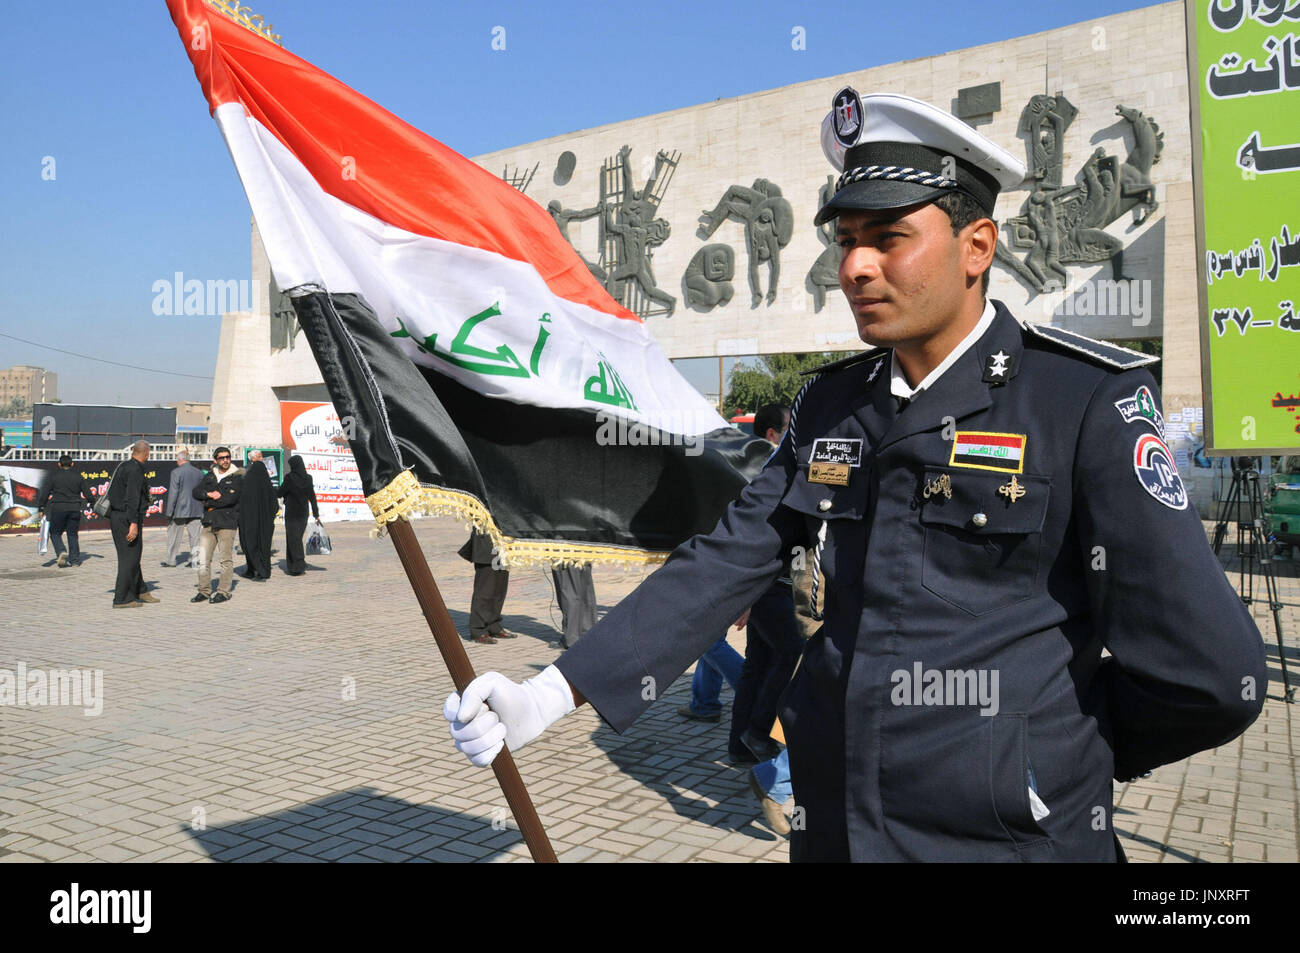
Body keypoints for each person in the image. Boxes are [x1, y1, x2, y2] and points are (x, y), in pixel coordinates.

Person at [443, 90, 1267, 862]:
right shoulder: (833, 404)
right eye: (846, 241)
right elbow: (728, 559)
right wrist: (551, 693)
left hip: (1005, 840)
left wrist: (1051, 746)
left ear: (976, 245)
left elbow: (1211, 674)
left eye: (888, 237)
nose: (855, 266)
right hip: (837, 827)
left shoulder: (1082, 401)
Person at [725, 403, 801, 765]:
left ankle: (742, 745)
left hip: (770, 583)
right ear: (773, 433)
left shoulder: (767, 463)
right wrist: (747, 591)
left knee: (758, 663)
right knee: (795, 654)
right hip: (770, 583)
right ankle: (757, 733)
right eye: (790, 428)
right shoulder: (766, 469)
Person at [108, 440, 157, 607]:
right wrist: (133, 523)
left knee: (132, 556)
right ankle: (122, 599)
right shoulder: (135, 470)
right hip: (127, 518)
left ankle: (140, 590)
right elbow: (132, 498)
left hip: (118, 517)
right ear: (146, 454)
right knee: (129, 559)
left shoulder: (124, 466)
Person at [193, 447, 242, 604]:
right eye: (221, 458)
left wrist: (208, 501)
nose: (225, 460)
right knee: (202, 559)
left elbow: (229, 499)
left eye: (228, 457)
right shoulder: (210, 476)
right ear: (215, 460)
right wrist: (209, 495)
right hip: (208, 523)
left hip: (226, 523)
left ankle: (223, 591)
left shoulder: (237, 476)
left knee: (225, 560)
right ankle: (204, 590)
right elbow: (196, 491)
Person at [458, 529, 518, 644]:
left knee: (500, 587)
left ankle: (493, 625)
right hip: (486, 538)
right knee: (485, 588)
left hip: (504, 539)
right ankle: (478, 630)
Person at [36, 454, 94, 568]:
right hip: (74, 509)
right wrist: (92, 505)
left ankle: (61, 551)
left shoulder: (54, 477)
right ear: (72, 464)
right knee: (72, 534)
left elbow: (45, 493)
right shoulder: (78, 477)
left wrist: (41, 507)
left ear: (59, 464)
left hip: (58, 509)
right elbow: (88, 493)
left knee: (55, 533)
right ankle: (75, 560)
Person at [238, 450, 278, 581]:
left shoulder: (246, 479)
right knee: (264, 547)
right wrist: (269, 517)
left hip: (249, 521)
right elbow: (274, 504)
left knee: (249, 544)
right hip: (265, 522)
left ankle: (254, 570)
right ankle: (262, 570)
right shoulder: (267, 484)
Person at [163, 449, 205, 568]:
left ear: (180, 459)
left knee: (174, 536)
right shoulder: (199, 473)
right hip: (196, 508)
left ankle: (171, 560)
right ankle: (195, 560)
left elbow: (173, 493)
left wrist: (169, 512)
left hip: (180, 509)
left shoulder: (176, 472)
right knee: (195, 536)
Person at [278, 454, 319, 575]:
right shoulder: (308, 478)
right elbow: (312, 497)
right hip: (303, 514)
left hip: (292, 514)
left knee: (292, 539)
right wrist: (316, 513)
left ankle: (298, 565)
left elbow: (280, 492)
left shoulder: (289, 478)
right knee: (296, 539)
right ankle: (293, 565)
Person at [550, 565, 596, 650]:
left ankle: (572, 638)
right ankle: (588, 633)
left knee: (568, 587)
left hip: (565, 555)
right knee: (585, 587)